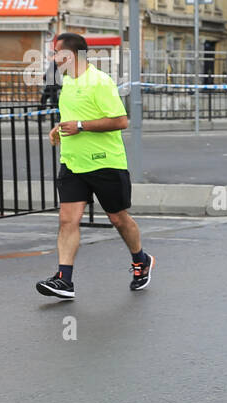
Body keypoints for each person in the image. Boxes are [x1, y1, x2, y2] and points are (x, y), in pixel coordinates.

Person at [35, 33, 153, 300]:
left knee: (118, 219)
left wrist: (80, 126)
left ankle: (140, 260)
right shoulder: (65, 81)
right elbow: (74, 115)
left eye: (56, 53)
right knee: (67, 220)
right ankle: (64, 279)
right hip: (73, 163)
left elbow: (121, 120)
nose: (52, 58)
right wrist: (59, 128)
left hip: (105, 162)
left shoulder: (99, 81)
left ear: (71, 56)